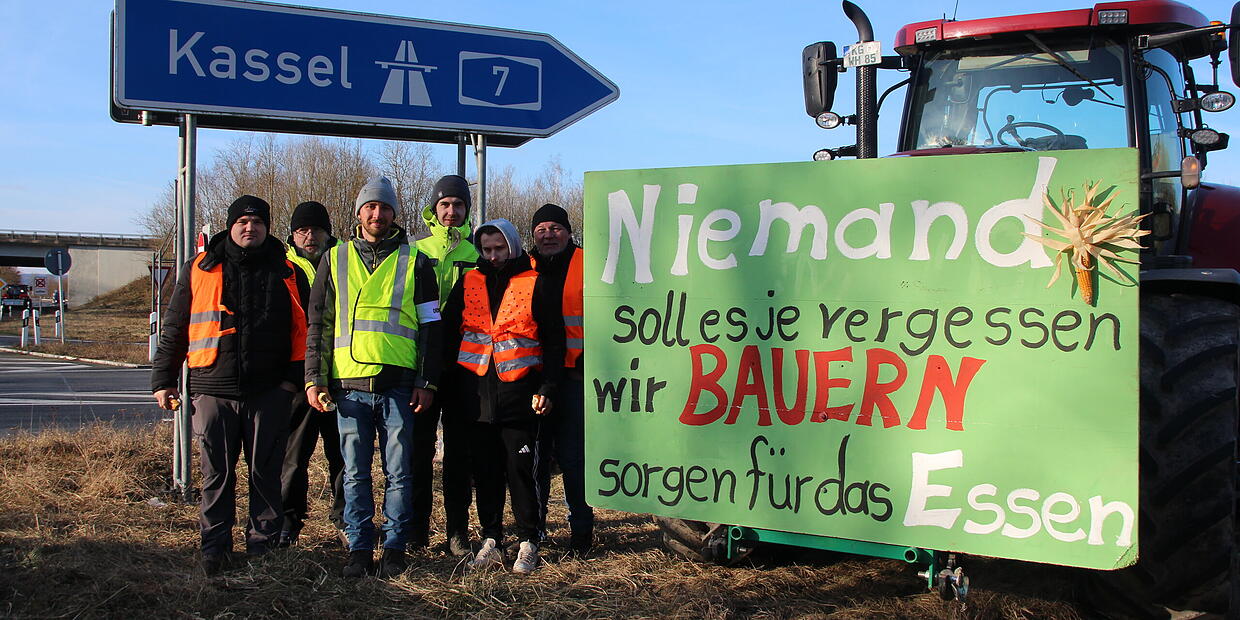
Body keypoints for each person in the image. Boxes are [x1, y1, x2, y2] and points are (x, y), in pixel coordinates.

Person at [150, 195, 309, 576]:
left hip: (269, 392)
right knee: (216, 476)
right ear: (230, 225)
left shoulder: (287, 271)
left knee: (265, 474)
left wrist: (290, 383)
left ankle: (263, 549)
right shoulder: (200, 269)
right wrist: (163, 379)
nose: (249, 227)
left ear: (268, 227)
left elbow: (303, 333)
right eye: (242, 221)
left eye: (257, 222)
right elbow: (175, 328)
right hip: (212, 390)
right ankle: (215, 548)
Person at [304, 176, 443, 579]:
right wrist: (315, 378)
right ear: (358, 212)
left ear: (394, 214)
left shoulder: (415, 261)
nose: (377, 214)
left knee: (400, 472)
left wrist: (426, 380)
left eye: (384, 208)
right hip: (349, 389)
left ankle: (396, 547)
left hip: (398, 385)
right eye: (370, 207)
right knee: (355, 472)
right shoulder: (334, 259)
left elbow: (431, 326)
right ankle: (360, 548)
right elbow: (319, 325)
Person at [442, 218, 564, 574]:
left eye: (500, 248)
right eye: (487, 249)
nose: (493, 256)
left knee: (520, 470)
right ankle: (491, 538)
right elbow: (450, 335)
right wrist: (444, 384)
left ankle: (529, 540)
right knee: (487, 472)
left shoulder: (535, 282)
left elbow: (554, 342)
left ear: (512, 245)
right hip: (476, 397)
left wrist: (548, 387)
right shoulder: (468, 281)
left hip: (521, 396)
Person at [411, 175, 479, 556]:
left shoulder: (477, 252)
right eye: (444, 205)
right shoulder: (415, 251)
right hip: (422, 362)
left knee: (459, 453)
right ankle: (417, 528)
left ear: (467, 210)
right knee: (418, 451)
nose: (451, 212)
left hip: (464, 364)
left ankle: (457, 532)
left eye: (458, 205)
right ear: (433, 209)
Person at [528, 203, 595, 557]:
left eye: (556, 227)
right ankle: (535, 531)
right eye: (541, 228)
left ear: (569, 232)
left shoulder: (589, 263)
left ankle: (581, 531)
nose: (548, 234)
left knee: (573, 457)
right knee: (537, 456)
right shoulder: (525, 266)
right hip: (534, 378)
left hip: (576, 375)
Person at [278, 200, 345, 547]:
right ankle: (288, 521)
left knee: (345, 455)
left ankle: (346, 519)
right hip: (298, 379)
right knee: (294, 456)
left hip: (342, 376)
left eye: (316, 229)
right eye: (303, 229)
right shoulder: (282, 267)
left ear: (327, 232)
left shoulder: (344, 262)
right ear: (292, 233)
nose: (309, 236)